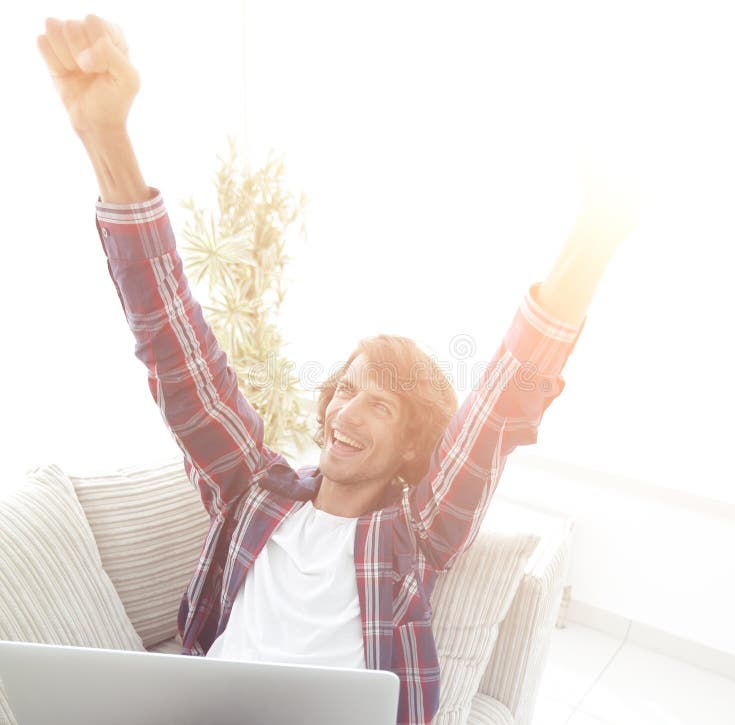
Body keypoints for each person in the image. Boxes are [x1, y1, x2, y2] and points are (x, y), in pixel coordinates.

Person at [36, 14, 637, 725]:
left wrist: (595, 233)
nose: (347, 413)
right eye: (347, 390)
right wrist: (104, 136)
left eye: (381, 405)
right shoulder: (252, 493)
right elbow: (176, 352)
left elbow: (499, 405)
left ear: (414, 445)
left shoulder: (415, 534)